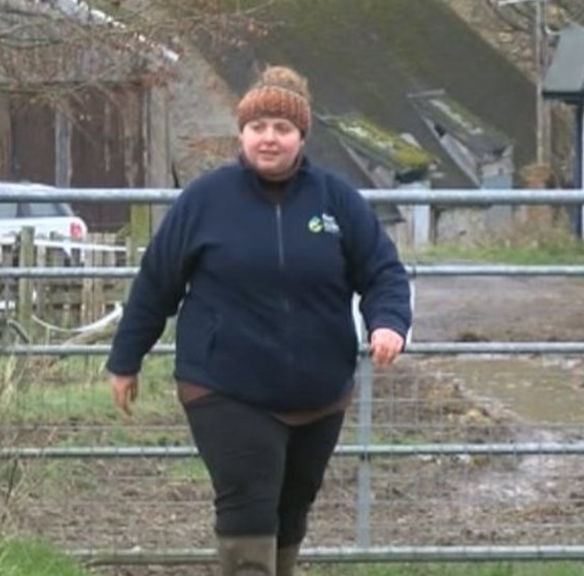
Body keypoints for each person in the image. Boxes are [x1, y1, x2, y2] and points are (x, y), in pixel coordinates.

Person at [105, 66, 412, 576]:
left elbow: (383, 271)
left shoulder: (336, 201)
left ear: (301, 136)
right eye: (258, 127)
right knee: (248, 504)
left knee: (291, 511)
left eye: (282, 129)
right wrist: (125, 359)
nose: (269, 138)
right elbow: (156, 283)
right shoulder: (206, 200)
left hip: (320, 389)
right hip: (225, 384)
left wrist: (388, 323)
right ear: (242, 133)